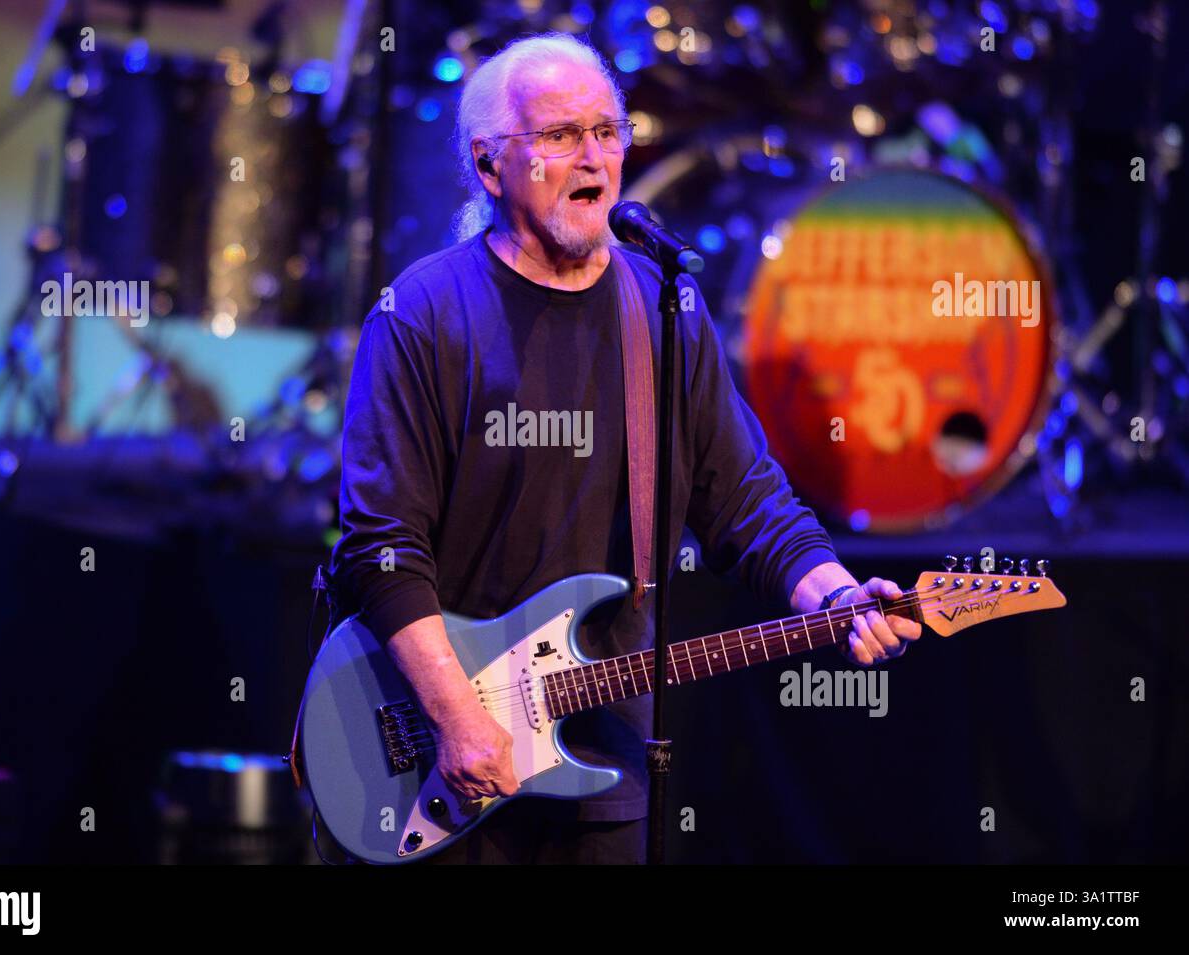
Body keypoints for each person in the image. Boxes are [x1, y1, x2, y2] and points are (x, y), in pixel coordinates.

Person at [325, 32, 921, 864]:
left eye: (608, 131)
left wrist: (831, 591)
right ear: (491, 165)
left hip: (601, 755)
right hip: (435, 742)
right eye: (562, 135)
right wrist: (458, 714)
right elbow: (378, 548)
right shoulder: (423, 313)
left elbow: (742, 496)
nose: (595, 156)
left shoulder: (662, 307)